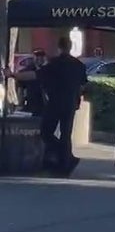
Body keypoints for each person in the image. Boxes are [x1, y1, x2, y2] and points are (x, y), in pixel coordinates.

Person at [37, 37, 88, 176]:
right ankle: (65, 163)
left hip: (55, 103)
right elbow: (83, 86)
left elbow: (38, 75)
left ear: (59, 47)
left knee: (46, 132)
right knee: (66, 135)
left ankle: (65, 158)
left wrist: (13, 74)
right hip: (70, 103)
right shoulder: (79, 65)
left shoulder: (54, 63)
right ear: (70, 47)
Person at [18, 50, 46, 115]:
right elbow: (21, 89)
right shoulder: (26, 71)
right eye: (37, 57)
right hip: (31, 105)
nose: (39, 59)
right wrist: (20, 103)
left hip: (45, 106)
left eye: (41, 57)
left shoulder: (48, 71)